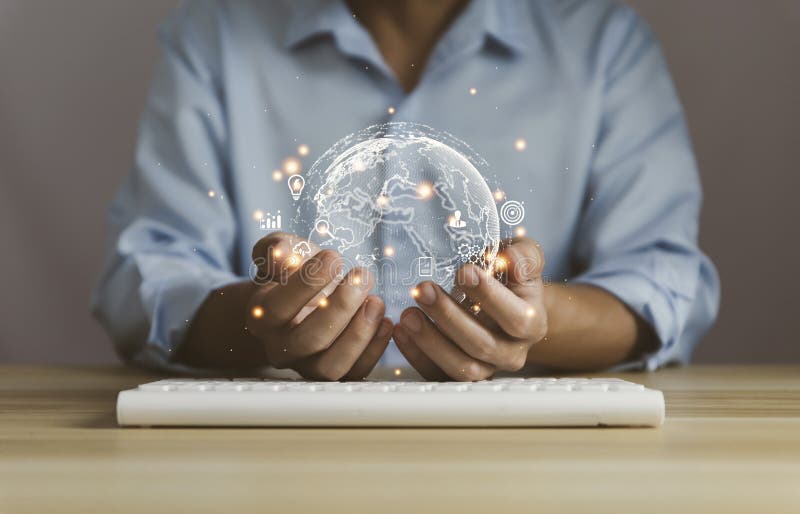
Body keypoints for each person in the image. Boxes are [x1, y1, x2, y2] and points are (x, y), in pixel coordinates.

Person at [91, 0, 719, 380]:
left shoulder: (604, 45)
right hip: (274, 459)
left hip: (528, 462)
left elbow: (662, 282)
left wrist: (538, 322)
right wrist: (256, 321)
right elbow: (146, 278)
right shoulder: (214, 36)